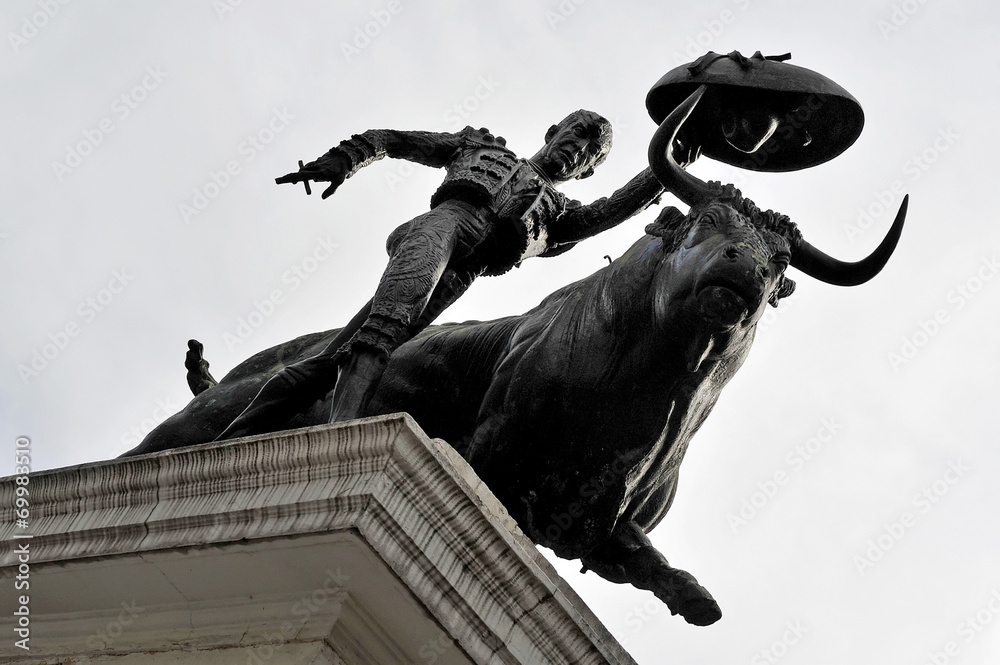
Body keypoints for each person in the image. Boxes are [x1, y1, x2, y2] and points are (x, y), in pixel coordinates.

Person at [217, 110, 665, 439]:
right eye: (579, 134)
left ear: (585, 172)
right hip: (445, 224)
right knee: (382, 332)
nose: (579, 148)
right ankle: (339, 442)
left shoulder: (561, 216)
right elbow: (392, 138)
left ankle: (227, 440)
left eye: (592, 154)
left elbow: (616, 207)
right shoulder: (481, 147)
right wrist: (343, 159)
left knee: (337, 359)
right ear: (554, 131)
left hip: (466, 269)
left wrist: (674, 153)